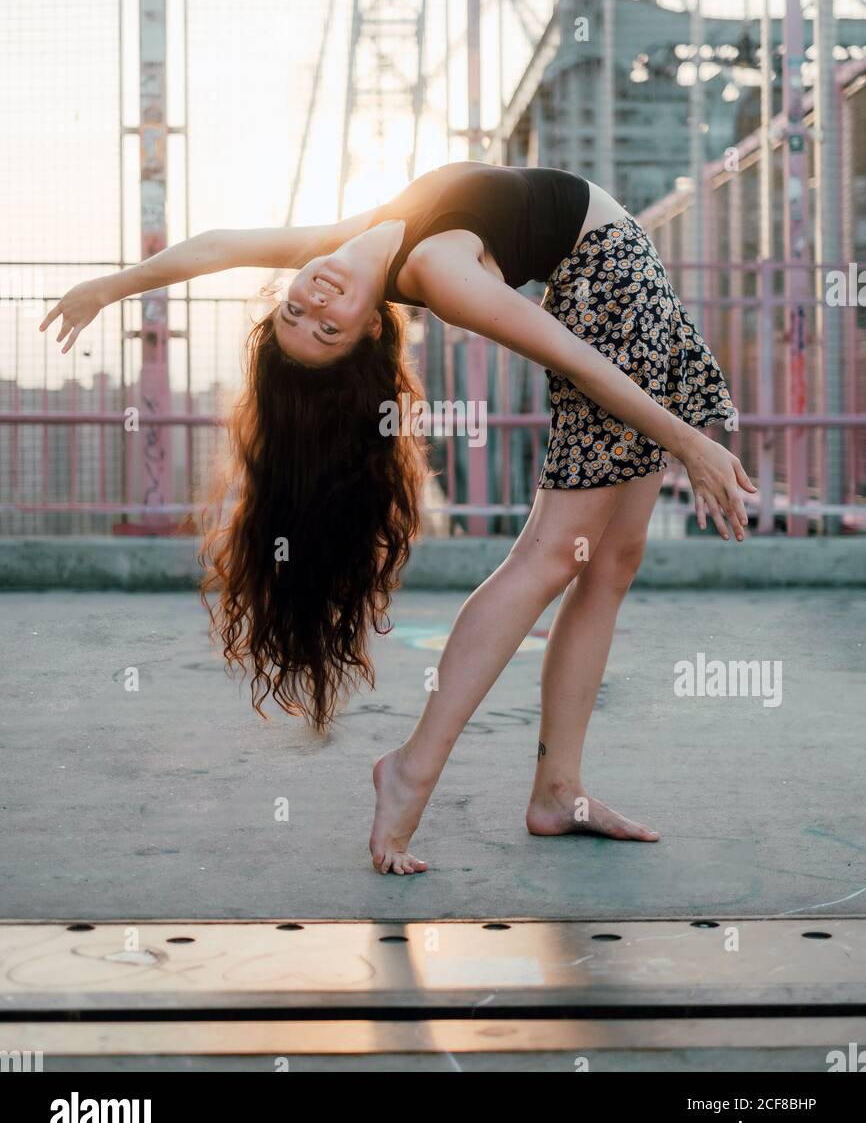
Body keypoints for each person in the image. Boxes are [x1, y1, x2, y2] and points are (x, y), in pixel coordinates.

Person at [40, 161, 755, 875]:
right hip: (610, 302)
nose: (313, 305)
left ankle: (557, 792)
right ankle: (412, 770)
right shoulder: (440, 273)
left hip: (628, 286)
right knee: (551, 556)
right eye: (326, 329)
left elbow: (221, 245)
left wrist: (109, 287)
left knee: (610, 564)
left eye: (296, 314)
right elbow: (577, 356)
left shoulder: (360, 234)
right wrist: (688, 442)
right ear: (368, 329)